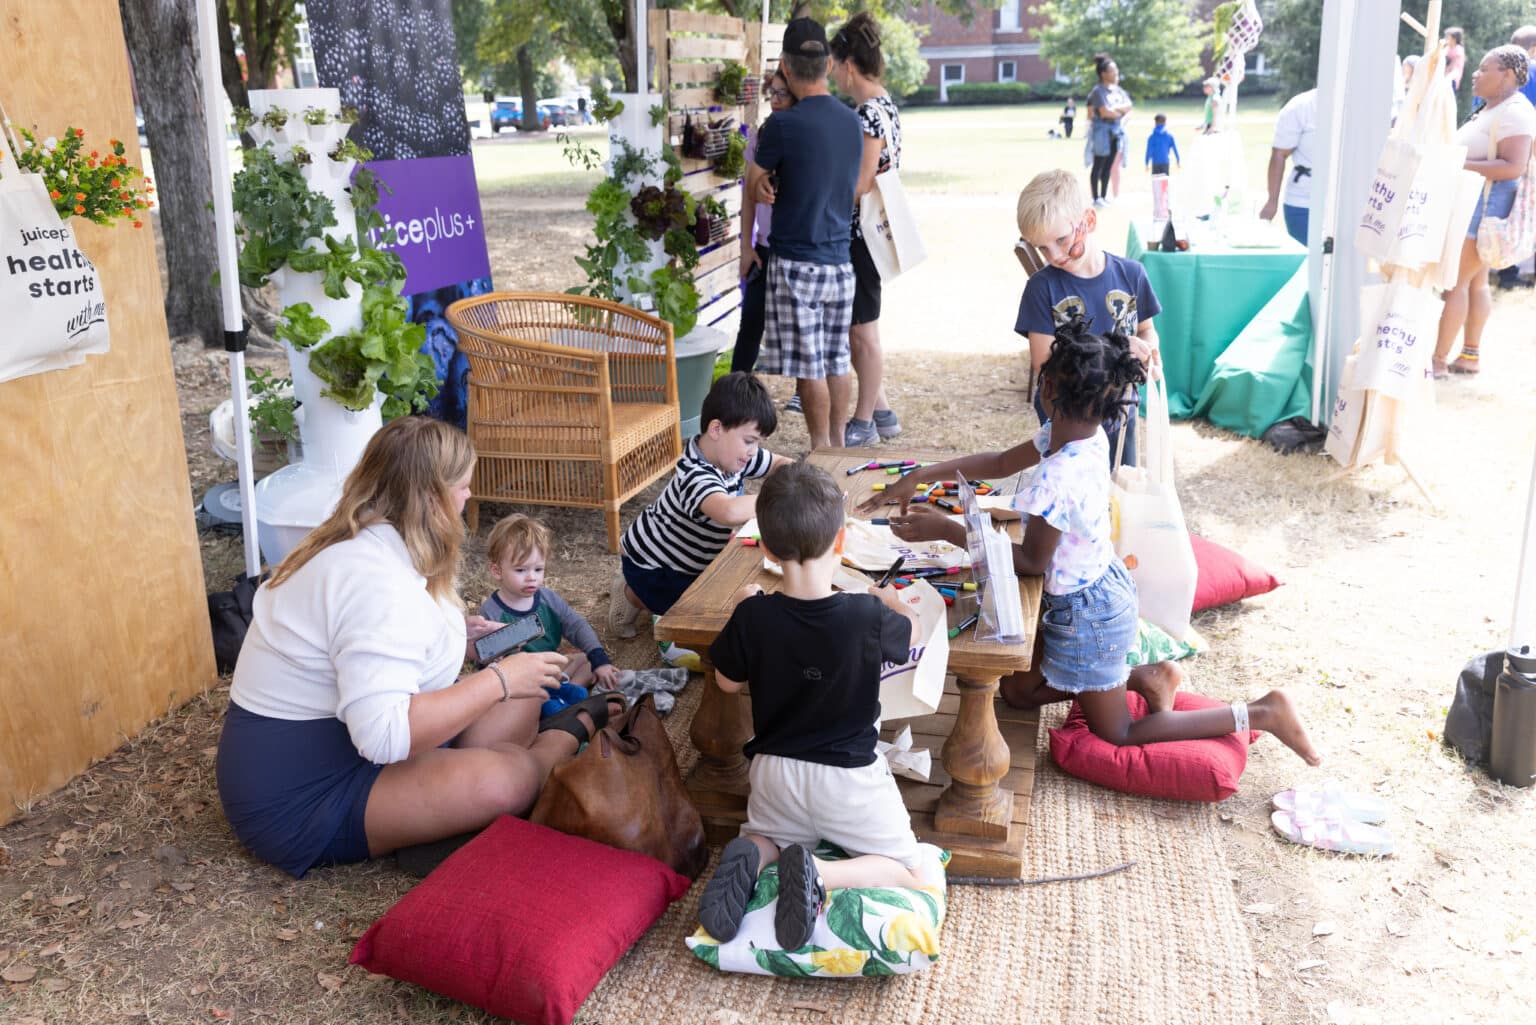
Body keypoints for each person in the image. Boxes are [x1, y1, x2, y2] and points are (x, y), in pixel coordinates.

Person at [869, 321, 1323, 767]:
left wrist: (948, 529)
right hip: (1096, 586)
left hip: (1088, 615)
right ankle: (1143, 676)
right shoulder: (1081, 434)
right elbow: (1003, 461)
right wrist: (919, 476)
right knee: (1015, 692)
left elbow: (1030, 562)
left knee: (1118, 732)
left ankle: (1261, 712)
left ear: (1046, 389)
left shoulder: (1057, 476)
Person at [216, 417, 625, 879]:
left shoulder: (365, 544)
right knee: (507, 778)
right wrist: (498, 680)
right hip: (304, 794)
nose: (468, 498)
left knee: (526, 691)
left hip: (351, 744)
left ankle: (506, 755)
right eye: (463, 487)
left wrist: (466, 646)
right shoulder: (373, 582)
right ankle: (561, 739)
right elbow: (383, 737)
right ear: (432, 498)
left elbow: (377, 650)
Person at [695, 462, 927, 950]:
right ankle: (821, 873)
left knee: (769, 833)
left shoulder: (754, 615)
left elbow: (725, 682)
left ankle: (755, 856)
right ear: (840, 543)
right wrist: (895, 603)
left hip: (774, 775)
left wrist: (742, 608)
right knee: (911, 868)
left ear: (765, 547)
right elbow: (913, 641)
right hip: (848, 780)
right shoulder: (867, 614)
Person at [609, 372, 793, 664]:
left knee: (715, 599)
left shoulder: (735, 454)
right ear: (717, 429)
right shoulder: (694, 472)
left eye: (757, 443)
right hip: (654, 566)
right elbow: (728, 510)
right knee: (693, 639)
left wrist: (796, 479)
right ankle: (633, 595)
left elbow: (779, 463)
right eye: (749, 441)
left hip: (692, 560)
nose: (753, 452)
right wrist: (778, 498)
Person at [748, 16, 863, 451]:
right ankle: (837, 444)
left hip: (796, 263)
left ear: (786, 66)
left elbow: (755, 182)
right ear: (829, 65)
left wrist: (763, 184)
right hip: (840, 264)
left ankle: (820, 450)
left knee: (810, 368)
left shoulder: (783, 125)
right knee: (837, 361)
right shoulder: (852, 122)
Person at [1014, 169, 1160, 468]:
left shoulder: (1131, 275)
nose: (1053, 255)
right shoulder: (1042, 288)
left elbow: (1146, 330)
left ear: (1089, 221)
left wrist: (1148, 353)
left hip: (1122, 411)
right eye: (1042, 247)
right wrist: (1119, 348)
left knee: (1118, 491)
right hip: (1068, 421)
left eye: (1061, 239)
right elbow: (1044, 363)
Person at [1432, 46, 1536, 377]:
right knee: (1475, 283)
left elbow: (1513, 166)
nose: (1475, 74)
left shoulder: (1516, 112)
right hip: (1476, 201)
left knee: (1455, 284)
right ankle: (1468, 357)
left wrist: (1455, 163)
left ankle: (1436, 363)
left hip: (1485, 204)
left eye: (1483, 69)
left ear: (1506, 75)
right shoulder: (1493, 107)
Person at [831, 12, 905, 448]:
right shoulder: (885, 106)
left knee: (863, 330)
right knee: (859, 325)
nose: (833, 73)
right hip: (873, 234)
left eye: (835, 65)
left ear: (849, 66)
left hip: (862, 237)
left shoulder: (867, 114)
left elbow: (861, 184)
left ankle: (863, 421)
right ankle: (881, 410)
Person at [479, 514, 617, 718]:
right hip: (521, 683)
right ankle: (556, 705)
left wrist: (600, 659)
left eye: (538, 569)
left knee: (587, 659)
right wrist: (493, 658)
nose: (531, 577)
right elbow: (486, 661)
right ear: (497, 570)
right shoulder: (491, 612)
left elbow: (576, 625)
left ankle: (562, 694)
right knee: (527, 702)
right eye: (520, 570)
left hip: (551, 669)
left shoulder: (547, 599)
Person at [732, 69, 798, 375]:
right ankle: (733, 393)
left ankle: (802, 390)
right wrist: (746, 247)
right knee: (750, 326)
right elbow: (747, 194)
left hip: (797, 251)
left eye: (782, 93)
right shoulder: (761, 135)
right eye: (771, 92)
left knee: (799, 330)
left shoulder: (803, 136)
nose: (774, 100)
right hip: (763, 249)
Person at [1259, 88, 1318, 246]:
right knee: (1310, 264)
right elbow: (1279, 154)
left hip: (1353, 204)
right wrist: (1272, 201)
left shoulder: (1369, 103)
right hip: (1304, 203)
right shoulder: (1301, 106)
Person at [1086, 54, 1132, 208]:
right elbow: (1105, 112)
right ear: (1103, 74)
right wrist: (1119, 112)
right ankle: (1096, 198)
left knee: (1109, 165)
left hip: (1116, 132)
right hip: (1102, 133)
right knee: (1099, 164)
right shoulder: (1098, 92)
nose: (1116, 74)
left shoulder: (1117, 90)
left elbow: (1128, 107)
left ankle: (1104, 196)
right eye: (1113, 71)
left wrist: (1116, 111)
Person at [1445, 27, 1466, 92]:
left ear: (1454, 39)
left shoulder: (1458, 50)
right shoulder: (1447, 48)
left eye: (1448, 38)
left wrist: (1447, 76)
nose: (1446, 40)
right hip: (1445, 77)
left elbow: (1454, 66)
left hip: (1452, 79)